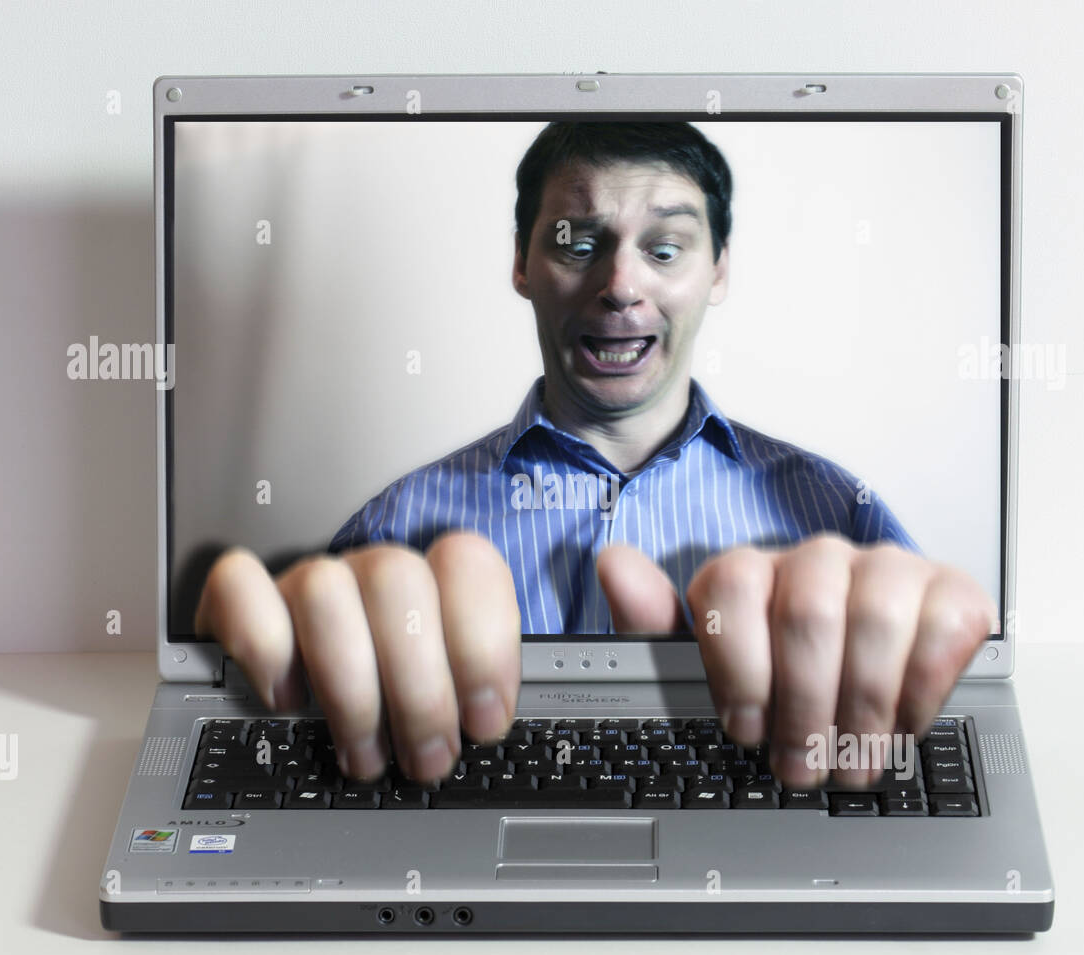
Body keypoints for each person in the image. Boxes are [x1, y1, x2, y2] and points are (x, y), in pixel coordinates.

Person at [195, 121, 996, 791]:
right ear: (521, 264)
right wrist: (227, 680)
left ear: (719, 269)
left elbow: (937, 730)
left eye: (667, 247)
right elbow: (303, 738)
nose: (620, 284)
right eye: (578, 241)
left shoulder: (834, 509)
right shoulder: (396, 522)